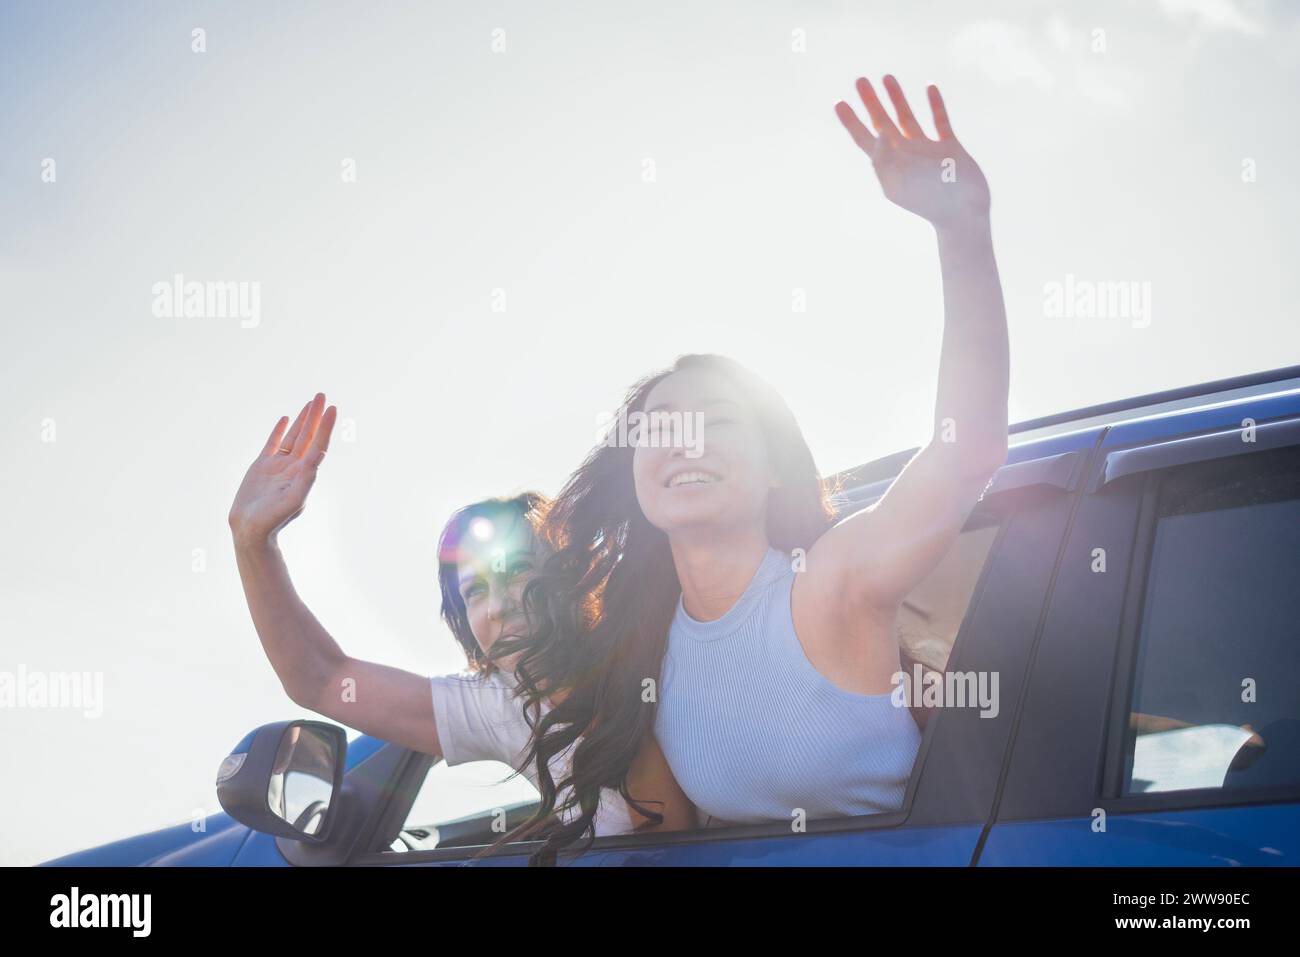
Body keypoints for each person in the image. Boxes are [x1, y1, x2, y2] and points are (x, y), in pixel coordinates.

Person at [510, 74, 1010, 851]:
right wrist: (251, 542)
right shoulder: (641, 647)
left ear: (775, 466)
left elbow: (966, 449)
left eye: (717, 422)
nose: (685, 441)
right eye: (661, 426)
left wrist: (962, 228)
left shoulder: (829, 583)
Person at [227, 396, 696, 849]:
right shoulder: (504, 704)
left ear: (567, 572)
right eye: (474, 591)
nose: (496, 606)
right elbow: (322, 678)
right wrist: (252, 540)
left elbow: (672, 845)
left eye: (515, 573)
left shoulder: (650, 653)